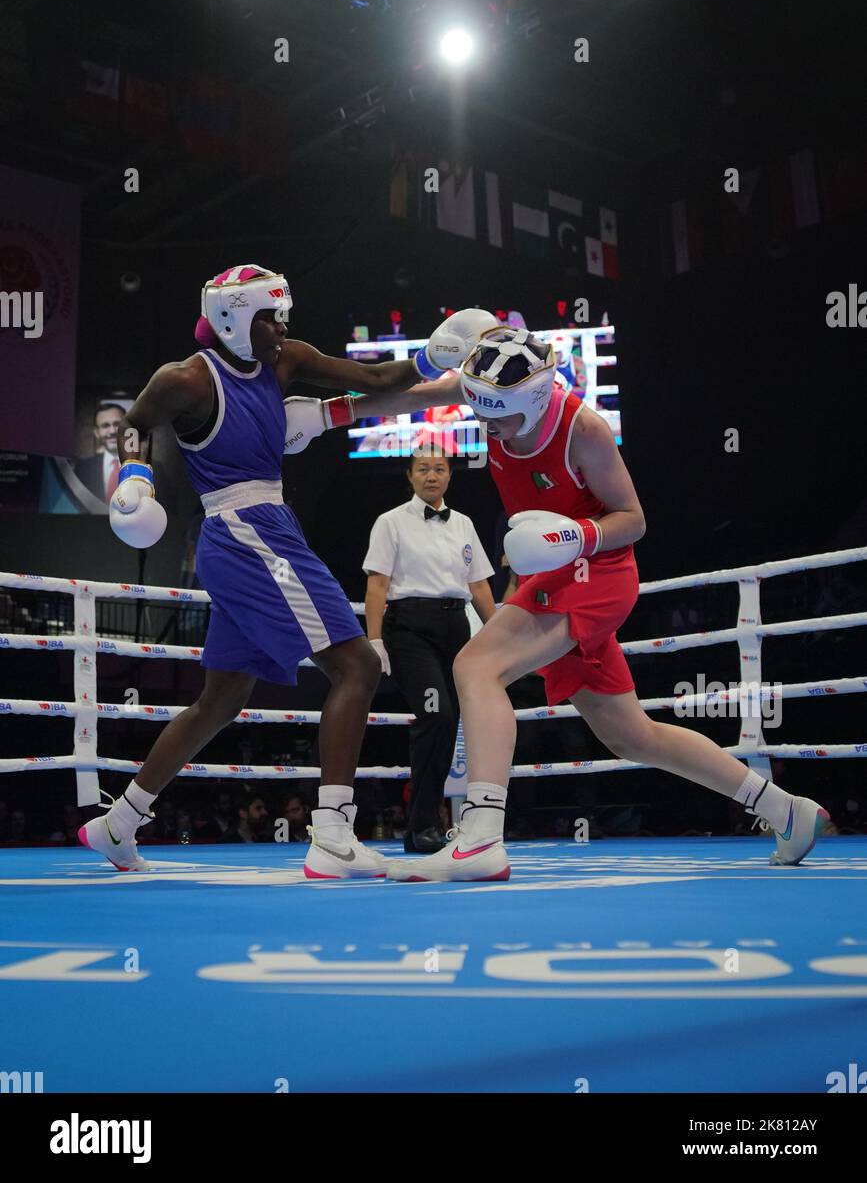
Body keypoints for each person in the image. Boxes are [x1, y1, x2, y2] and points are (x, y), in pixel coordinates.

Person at [284, 323, 829, 880]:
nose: (485, 424)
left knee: (476, 664)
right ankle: (787, 811)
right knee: (631, 736)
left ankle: (480, 839)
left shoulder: (583, 430)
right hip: (553, 576)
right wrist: (331, 415)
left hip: (597, 572)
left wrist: (575, 535)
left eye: (497, 415)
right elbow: (407, 395)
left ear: (535, 398)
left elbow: (633, 519)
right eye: (479, 408)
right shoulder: (490, 388)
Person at [78, 268, 493, 880]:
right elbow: (135, 424)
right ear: (234, 319)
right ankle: (331, 834)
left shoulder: (284, 360)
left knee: (221, 699)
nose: (282, 328)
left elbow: (377, 380)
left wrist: (432, 355)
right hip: (243, 531)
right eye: (271, 317)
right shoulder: (188, 378)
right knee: (356, 664)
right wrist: (136, 477)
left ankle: (120, 823)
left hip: (266, 527)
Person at [363, 443, 496, 852]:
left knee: (450, 721)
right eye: (423, 469)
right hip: (409, 630)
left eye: (439, 468)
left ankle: (426, 826)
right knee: (436, 717)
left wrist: (501, 636)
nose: (432, 476)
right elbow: (377, 586)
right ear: (410, 475)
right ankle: (422, 824)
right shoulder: (390, 522)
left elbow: (478, 587)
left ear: (450, 475)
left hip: (455, 626)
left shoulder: (464, 524)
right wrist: (375, 640)